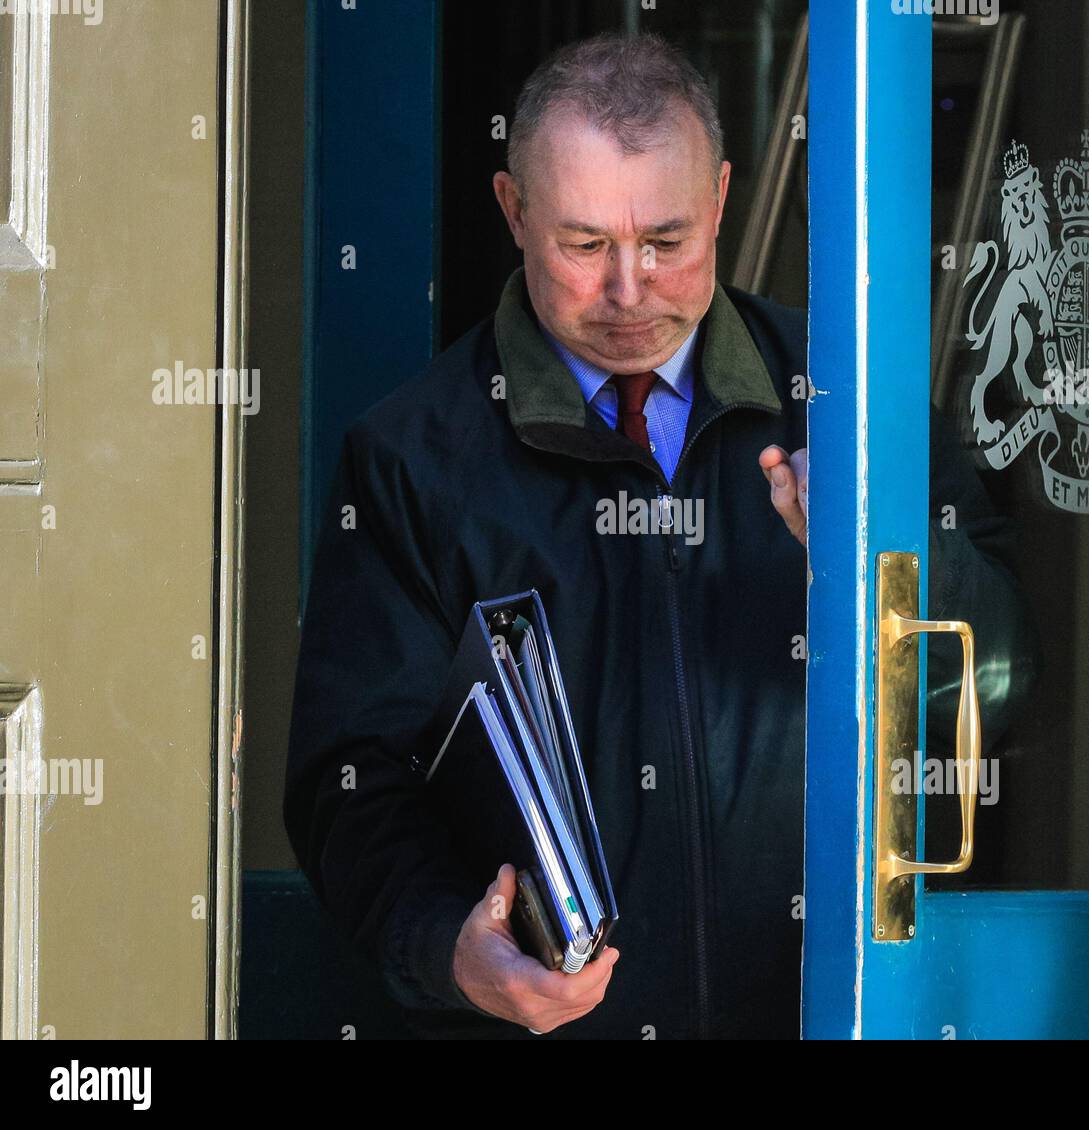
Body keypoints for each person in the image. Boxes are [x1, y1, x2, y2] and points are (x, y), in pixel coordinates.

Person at [284, 30, 1038, 1040]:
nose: (629, 290)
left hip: (837, 1012)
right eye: (584, 244)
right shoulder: (409, 458)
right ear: (513, 210)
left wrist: (888, 566)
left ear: (723, 202)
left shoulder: (851, 401)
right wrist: (447, 945)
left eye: (668, 241)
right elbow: (351, 785)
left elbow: (1005, 680)